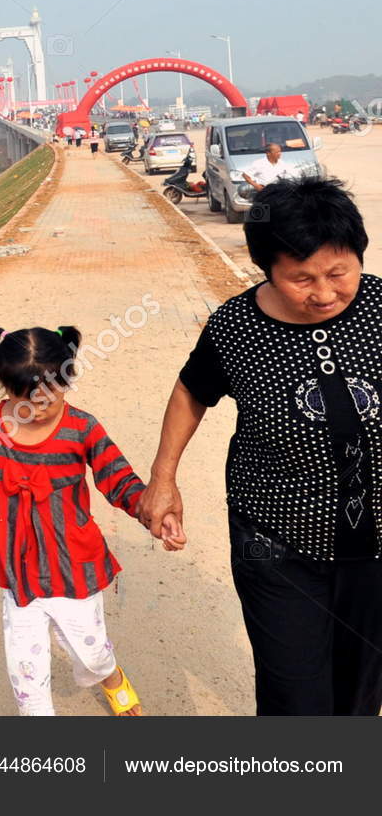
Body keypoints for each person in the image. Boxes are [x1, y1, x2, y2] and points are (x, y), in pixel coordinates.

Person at [139, 177, 382, 715]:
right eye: (302, 278)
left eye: (339, 273)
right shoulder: (237, 328)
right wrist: (163, 478)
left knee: (361, 692)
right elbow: (190, 390)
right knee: (294, 697)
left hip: (374, 549)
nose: (324, 292)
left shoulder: (380, 310)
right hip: (276, 544)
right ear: (268, 270)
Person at [0, 326, 147, 716]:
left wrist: (151, 509)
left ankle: (109, 674)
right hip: (18, 568)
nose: (38, 409)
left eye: (49, 398)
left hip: (72, 564)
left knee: (91, 647)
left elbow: (117, 477)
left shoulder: (83, 428)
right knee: (25, 668)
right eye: (25, 401)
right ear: (5, 388)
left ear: (67, 379)